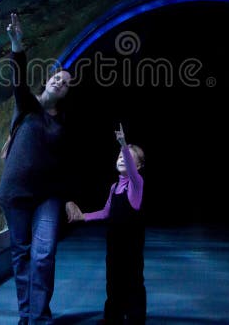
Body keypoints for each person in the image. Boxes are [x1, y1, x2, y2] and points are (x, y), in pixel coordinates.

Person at [0, 12, 73, 325]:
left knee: (43, 255)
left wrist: (69, 196)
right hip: (14, 192)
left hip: (47, 196)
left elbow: (68, 164)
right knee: (21, 254)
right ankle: (26, 316)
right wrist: (17, 45)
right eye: (57, 76)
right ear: (48, 81)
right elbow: (19, 81)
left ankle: (39, 318)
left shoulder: (64, 125)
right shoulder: (26, 106)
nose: (60, 80)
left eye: (67, 82)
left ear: (68, 93)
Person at [66, 124, 146, 324]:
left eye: (127, 156)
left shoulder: (136, 184)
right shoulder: (114, 187)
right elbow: (105, 212)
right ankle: (114, 315)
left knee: (133, 279)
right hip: (114, 243)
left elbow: (133, 172)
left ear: (137, 166)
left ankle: (135, 316)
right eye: (119, 155)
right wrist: (82, 216)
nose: (122, 157)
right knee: (113, 280)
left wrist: (123, 144)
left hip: (131, 246)